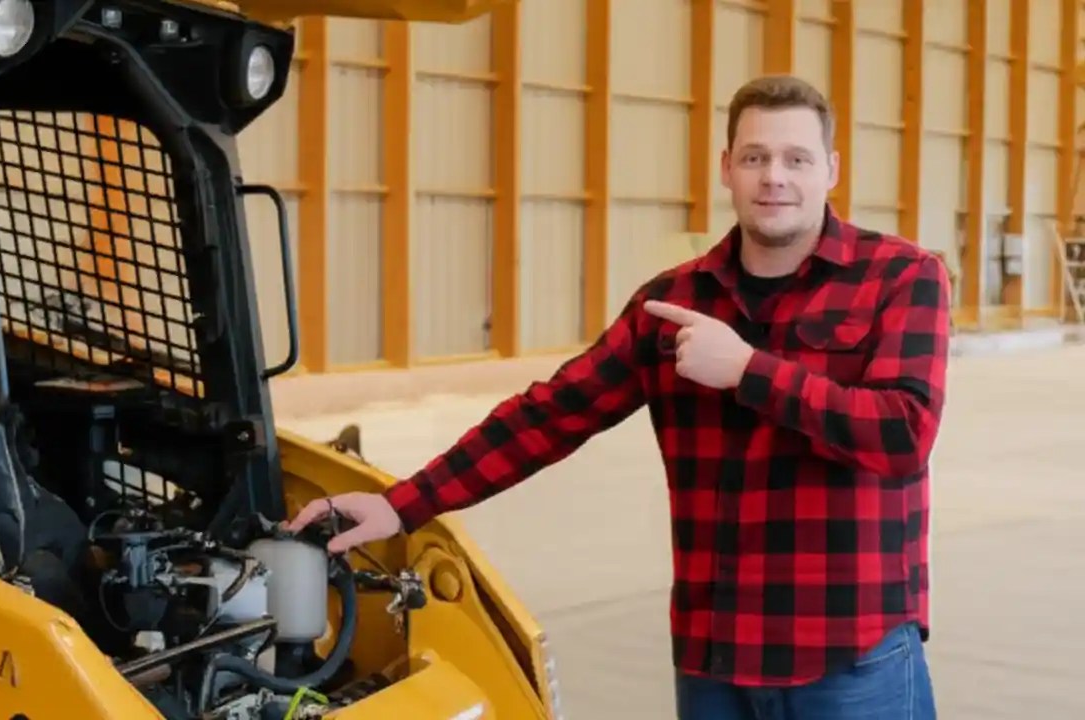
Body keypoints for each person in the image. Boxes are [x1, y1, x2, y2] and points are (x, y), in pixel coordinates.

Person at [285, 74, 949, 720]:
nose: (774, 175)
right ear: (727, 168)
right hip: (715, 660)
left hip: (851, 658)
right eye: (755, 157)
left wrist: (748, 369)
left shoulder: (900, 277)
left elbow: (903, 432)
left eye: (795, 158)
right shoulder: (674, 303)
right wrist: (402, 504)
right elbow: (548, 416)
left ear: (830, 168)